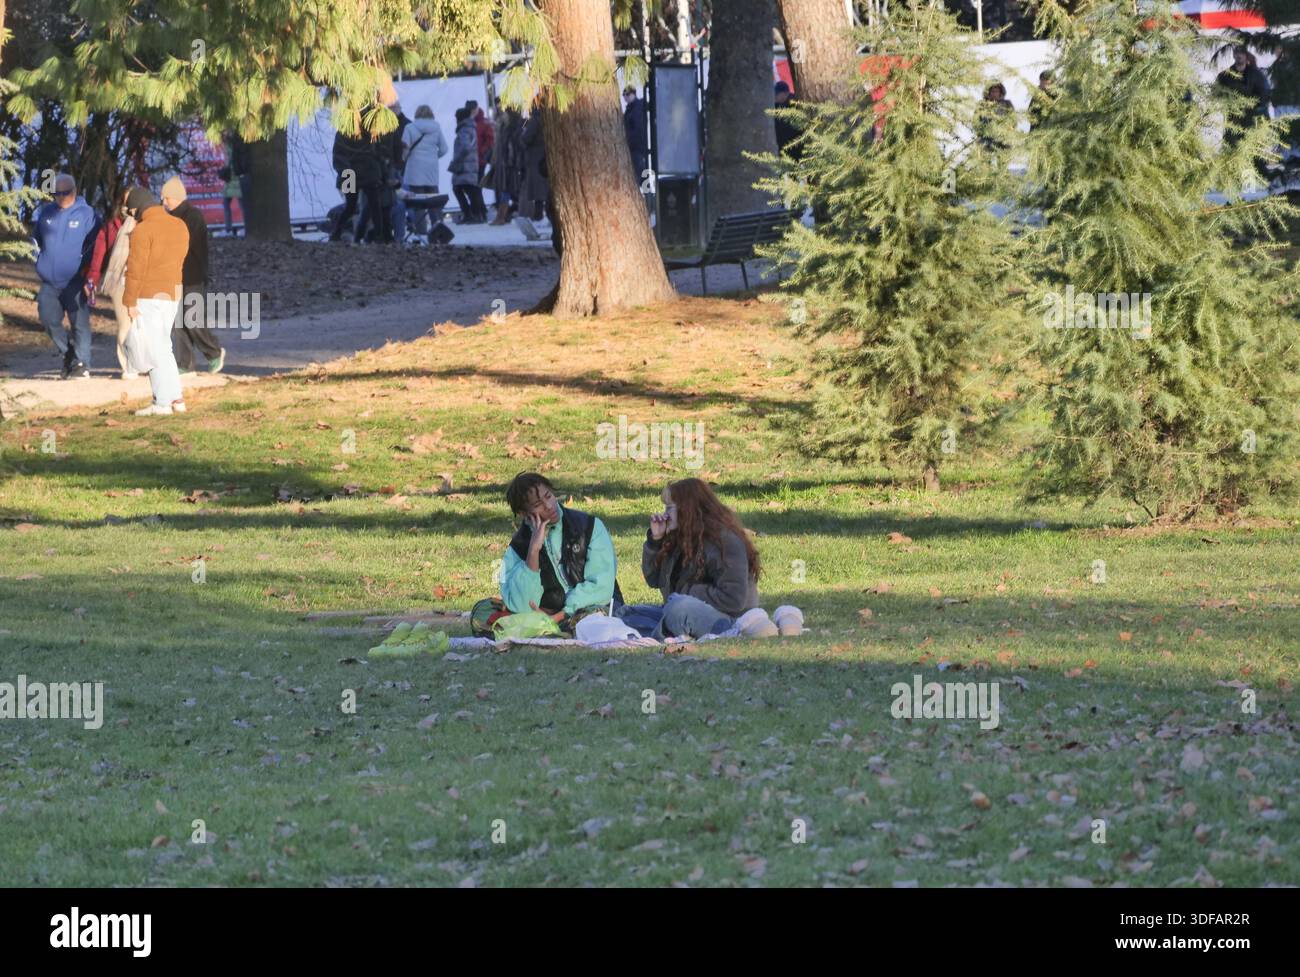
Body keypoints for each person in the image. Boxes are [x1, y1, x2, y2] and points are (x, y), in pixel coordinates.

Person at [616, 478, 803, 640]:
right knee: (625, 613)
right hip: (683, 610)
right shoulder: (679, 538)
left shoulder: (724, 541)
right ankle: (668, 630)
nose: (664, 514)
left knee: (677, 608)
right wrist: (655, 541)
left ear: (688, 509)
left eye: (669, 508)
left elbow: (734, 600)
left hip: (731, 618)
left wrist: (687, 592)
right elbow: (653, 580)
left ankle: (739, 631)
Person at [469, 472, 622, 637]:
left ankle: (546, 631)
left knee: (593, 617)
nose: (549, 506)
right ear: (523, 513)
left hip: (585, 608)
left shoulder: (589, 527)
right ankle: (549, 632)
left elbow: (601, 586)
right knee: (482, 612)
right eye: (538, 504)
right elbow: (521, 605)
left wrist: (558, 616)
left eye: (549, 496)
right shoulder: (518, 547)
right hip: (541, 615)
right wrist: (533, 551)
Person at [120, 186, 190, 416]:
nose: (131, 216)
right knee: (164, 346)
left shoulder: (142, 231)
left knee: (155, 350)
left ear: (137, 208)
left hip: (149, 296)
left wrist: (130, 301)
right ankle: (176, 398)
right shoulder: (180, 225)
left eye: (131, 211)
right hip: (173, 293)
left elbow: (135, 270)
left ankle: (161, 403)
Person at [32, 174, 100, 379]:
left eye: (65, 193)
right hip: (49, 281)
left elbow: (97, 247)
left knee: (79, 322)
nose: (61, 197)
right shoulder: (47, 212)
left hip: (76, 280)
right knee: (47, 318)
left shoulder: (88, 214)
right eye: (57, 193)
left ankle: (82, 363)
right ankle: (68, 353)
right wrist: (38, 260)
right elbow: (35, 240)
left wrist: (89, 273)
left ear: (74, 191)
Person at [161, 176, 224, 375]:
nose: (164, 202)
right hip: (174, 277)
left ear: (177, 197)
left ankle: (213, 352)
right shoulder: (169, 218)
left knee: (193, 319)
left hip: (192, 276)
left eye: (167, 198)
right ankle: (184, 363)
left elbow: (186, 245)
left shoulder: (193, 216)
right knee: (178, 322)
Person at [85, 191, 136, 379]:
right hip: (118, 281)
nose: (129, 205)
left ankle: (145, 362)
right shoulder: (110, 227)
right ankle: (128, 366)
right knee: (125, 324)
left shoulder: (146, 223)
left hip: (142, 280)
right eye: (126, 201)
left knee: (142, 324)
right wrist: (92, 279)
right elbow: (98, 255)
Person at [399, 104, 450, 238]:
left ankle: (421, 230)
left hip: (414, 169)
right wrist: (433, 157)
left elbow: (405, 149)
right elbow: (444, 149)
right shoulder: (436, 128)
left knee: (418, 203)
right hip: (431, 170)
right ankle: (438, 229)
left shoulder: (409, 128)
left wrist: (404, 159)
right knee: (434, 201)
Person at [450, 107, 487, 223]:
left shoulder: (464, 130)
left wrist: (457, 159)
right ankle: (475, 215)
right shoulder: (470, 128)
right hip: (470, 164)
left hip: (465, 165)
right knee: (470, 190)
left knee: (462, 189)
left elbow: (465, 147)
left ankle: (472, 215)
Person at [489, 104, 523, 225]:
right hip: (508, 164)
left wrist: (509, 161)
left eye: (505, 113)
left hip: (511, 165)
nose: (503, 115)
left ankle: (502, 216)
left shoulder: (512, 129)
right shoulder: (507, 127)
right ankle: (503, 215)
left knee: (508, 191)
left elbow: (511, 148)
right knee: (508, 191)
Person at [623, 86, 649, 184]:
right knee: (640, 177)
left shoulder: (637, 107)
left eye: (627, 94)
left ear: (634, 94)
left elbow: (638, 128)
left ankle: (647, 192)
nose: (625, 97)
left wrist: (631, 140)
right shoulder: (629, 109)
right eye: (624, 95)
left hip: (638, 147)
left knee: (639, 176)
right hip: (633, 148)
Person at [773, 81, 802, 161]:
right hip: (783, 146)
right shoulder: (777, 105)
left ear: (784, 94)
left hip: (794, 145)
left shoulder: (794, 104)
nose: (775, 97)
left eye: (777, 94)